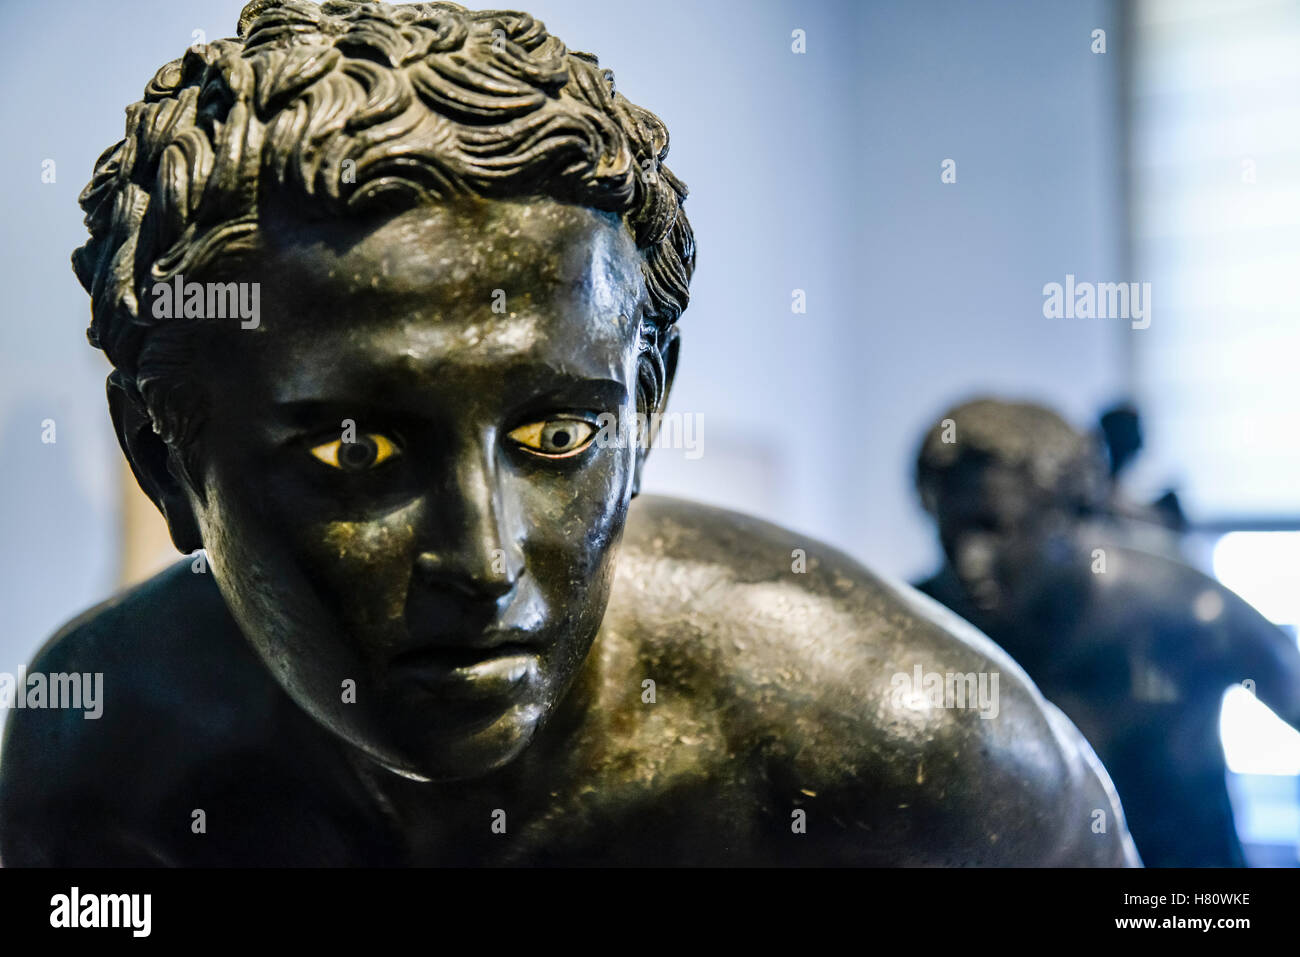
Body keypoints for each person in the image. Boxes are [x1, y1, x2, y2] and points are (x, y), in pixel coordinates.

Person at [0, 1, 1137, 866]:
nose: (482, 561)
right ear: (164, 459)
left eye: (555, 438)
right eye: (356, 453)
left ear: (645, 409)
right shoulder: (106, 744)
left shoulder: (913, 757)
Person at [915, 397, 1300, 866]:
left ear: (1069, 515)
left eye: (995, 527)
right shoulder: (924, 623)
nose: (969, 559)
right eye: (950, 529)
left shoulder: (1189, 615)